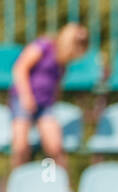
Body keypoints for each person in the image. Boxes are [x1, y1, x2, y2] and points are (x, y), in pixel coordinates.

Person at [6, 23, 88, 169]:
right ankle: (15, 185)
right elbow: (20, 68)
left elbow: (56, 86)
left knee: (55, 147)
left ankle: (63, 186)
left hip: (45, 104)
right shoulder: (43, 46)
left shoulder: (62, 61)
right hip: (23, 100)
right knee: (20, 148)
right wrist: (26, 96)